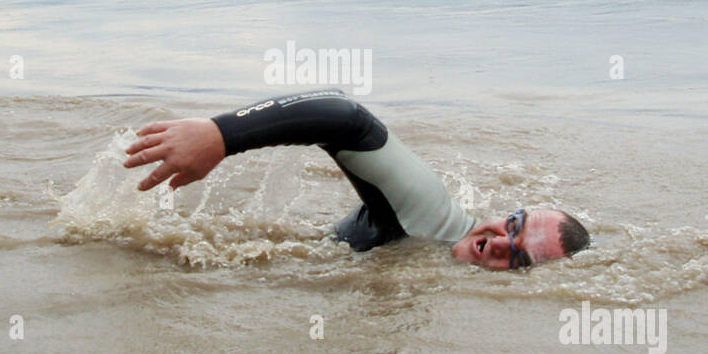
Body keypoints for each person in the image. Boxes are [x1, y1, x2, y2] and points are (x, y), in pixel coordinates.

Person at [122, 89, 590, 269]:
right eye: (514, 225)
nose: (503, 243)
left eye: (522, 260)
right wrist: (222, 134)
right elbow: (345, 116)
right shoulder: (430, 215)